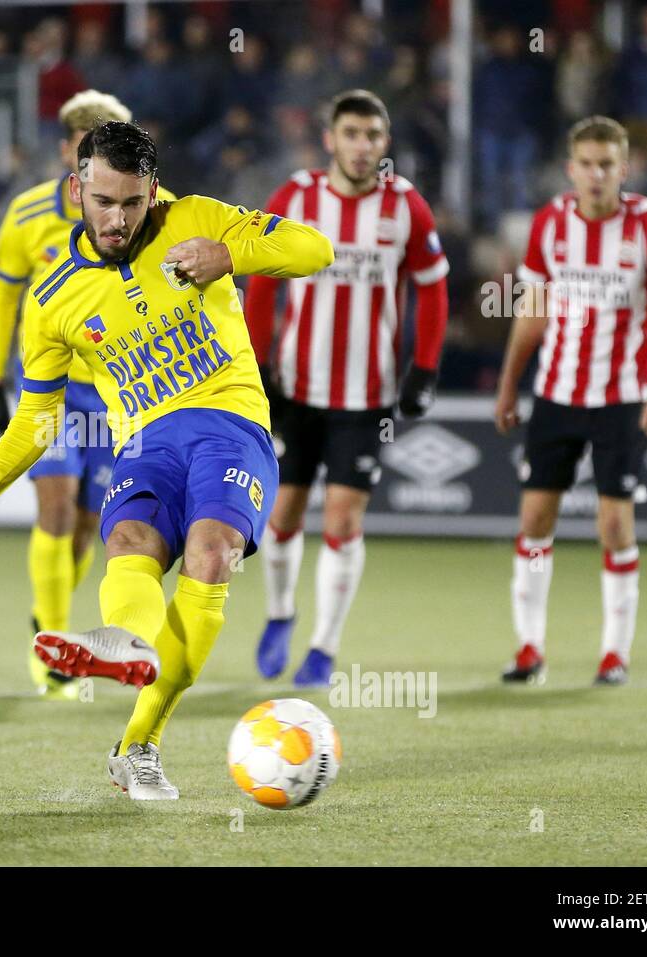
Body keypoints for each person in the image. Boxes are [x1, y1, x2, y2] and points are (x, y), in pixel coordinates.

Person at [0, 121, 333, 799]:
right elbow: (38, 415)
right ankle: (127, 641)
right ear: (76, 187)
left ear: (152, 192)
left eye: (133, 203)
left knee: (210, 553)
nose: (118, 219)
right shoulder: (53, 299)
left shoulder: (195, 219)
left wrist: (231, 256)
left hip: (230, 425)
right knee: (130, 541)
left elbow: (313, 247)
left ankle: (138, 742)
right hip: (143, 441)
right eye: (104, 201)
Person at [0, 91, 176, 699]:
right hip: (54, 388)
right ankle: (53, 637)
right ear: (69, 151)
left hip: (123, 390)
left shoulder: (156, 211)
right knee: (56, 510)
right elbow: (1, 298)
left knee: (91, 527)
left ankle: (58, 628)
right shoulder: (28, 213)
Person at [247, 90, 449, 686]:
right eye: (352, 134)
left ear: (385, 145)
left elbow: (434, 287)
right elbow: (260, 282)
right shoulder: (297, 197)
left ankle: (323, 647)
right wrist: (258, 366)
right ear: (330, 139)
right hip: (296, 388)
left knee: (342, 520)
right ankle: (281, 614)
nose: (362, 147)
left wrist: (426, 367)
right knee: (281, 515)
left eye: (374, 136)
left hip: (368, 397)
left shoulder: (406, 205)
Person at [495, 116, 647, 685]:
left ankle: (615, 654)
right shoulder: (550, 224)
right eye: (587, 164)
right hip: (556, 394)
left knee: (614, 524)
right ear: (571, 169)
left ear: (623, 169)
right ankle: (529, 649)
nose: (597, 175)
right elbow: (532, 312)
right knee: (534, 519)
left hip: (622, 400)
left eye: (608, 164)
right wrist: (510, 384)